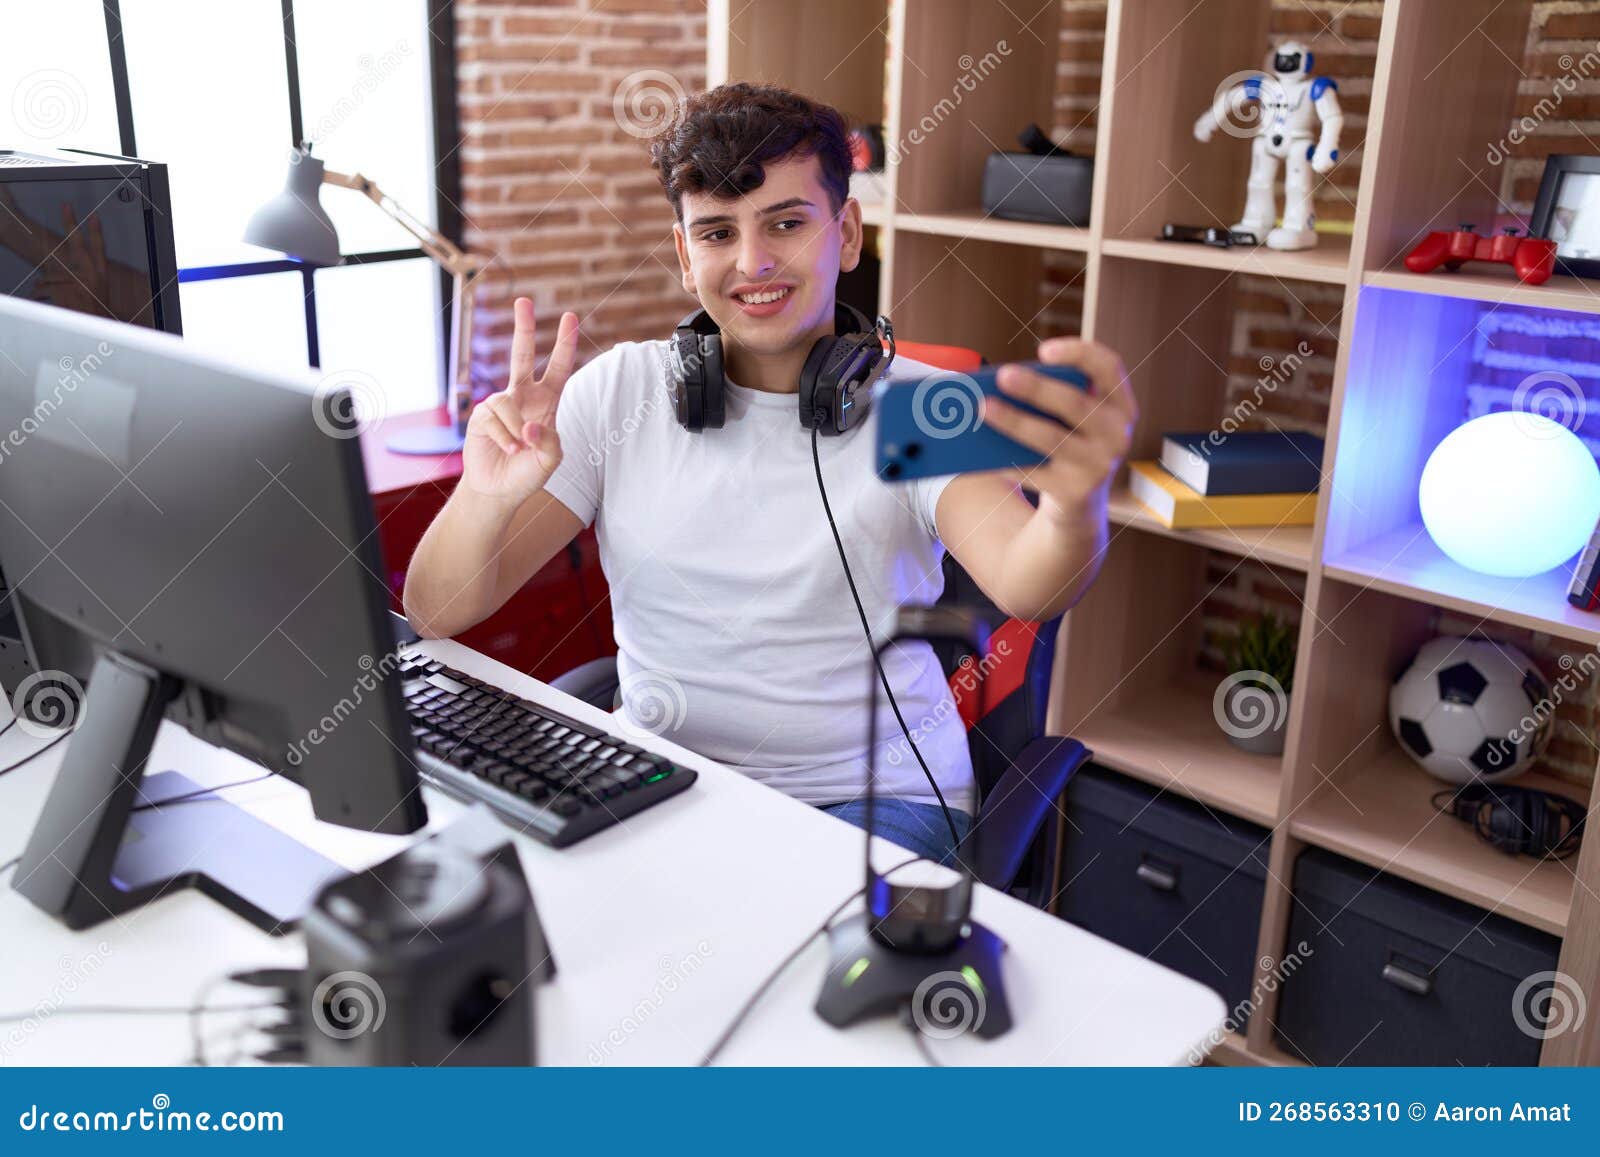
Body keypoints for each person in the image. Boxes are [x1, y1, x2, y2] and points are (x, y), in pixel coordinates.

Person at [403, 83, 1137, 865]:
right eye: (718, 232)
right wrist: (483, 498)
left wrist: (1071, 504)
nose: (753, 262)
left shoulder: (925, 406)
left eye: (786, 223)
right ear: (687, 256)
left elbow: (1030, 585)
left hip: (876, 799)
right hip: (664, 779)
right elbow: (437, 609)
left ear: (846, 233)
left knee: (777, 971)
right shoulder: (616, 393)